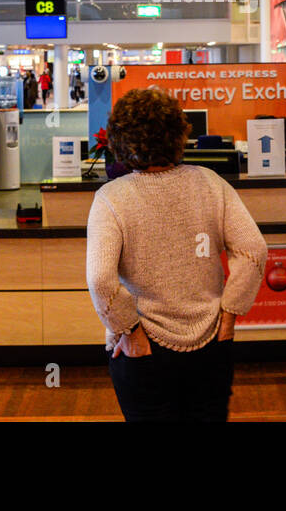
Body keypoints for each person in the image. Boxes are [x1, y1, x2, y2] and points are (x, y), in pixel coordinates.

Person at [86, 88, 267, 422]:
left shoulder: (111, 197)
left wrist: (131, 333)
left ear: (120, 141)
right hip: (212, 342)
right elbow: (253, 250)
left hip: (143, 349)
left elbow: (100, 280)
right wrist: (229, 317)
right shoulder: (211, 184)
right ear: (178, 133)